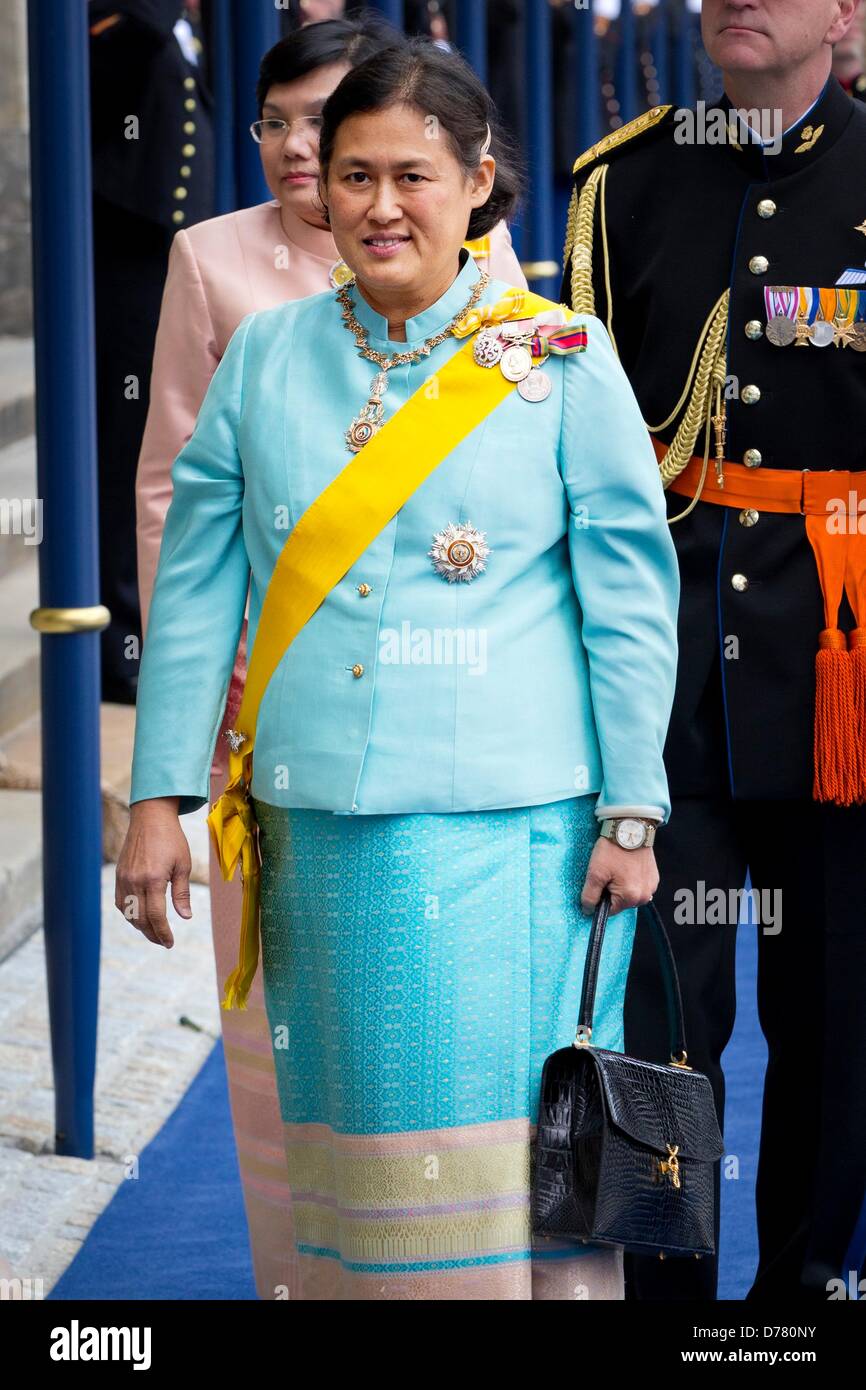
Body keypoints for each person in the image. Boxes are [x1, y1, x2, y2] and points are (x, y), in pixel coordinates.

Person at [117, 36, 679, 1300]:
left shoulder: (559, 358)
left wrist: (632, 811)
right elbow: (201, 592)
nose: (377, 206)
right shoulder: (266, 356)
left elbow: (629, 606)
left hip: (509, 833)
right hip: (314, 826)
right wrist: (157, 795)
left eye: (412, 175)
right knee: (351, 1176)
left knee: (500, 1180)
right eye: (352, 175)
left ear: (478, 180)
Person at [133, 15, 527, 1301]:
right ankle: (299, 1279)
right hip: (278, 714)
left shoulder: (495, 277)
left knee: (452, 1075)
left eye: (334, 127)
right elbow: (174, 515)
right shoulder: (214, 265)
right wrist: (194, 732)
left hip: (451, 736)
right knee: (283, 1038)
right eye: (284, 126)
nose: (308, 153)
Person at [562, 0, 866, 1301]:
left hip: (843, 669)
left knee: (835, 1010)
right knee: (664, 1007)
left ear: (843, 13)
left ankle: (806, 1287)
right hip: (663, 662)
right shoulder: (624, 184)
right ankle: (664, 1293)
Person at [89, 0, 214, 704]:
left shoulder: (184, 22)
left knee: (166, 442)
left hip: (169, 259)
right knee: (126, 449)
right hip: (131, 258)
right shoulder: (127, 16)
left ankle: (147, 627)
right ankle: (121, 642)